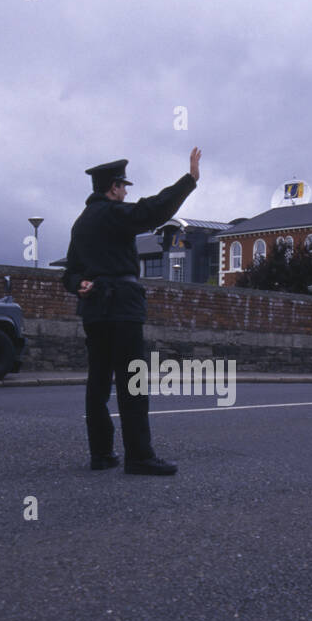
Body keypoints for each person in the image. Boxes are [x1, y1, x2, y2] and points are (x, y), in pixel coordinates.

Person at [62, 150, 201, 475]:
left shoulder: (80, 224)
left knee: (97, 381)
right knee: (132, 382)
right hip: (122, 306)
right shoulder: (113, 213)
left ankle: (101, 454)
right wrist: (189, 180)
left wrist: (78, 284)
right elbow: (152, 210)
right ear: (113, 188)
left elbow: (69, 271)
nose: (126, 193)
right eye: (123, 187)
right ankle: (139, 456)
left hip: (94, 308)